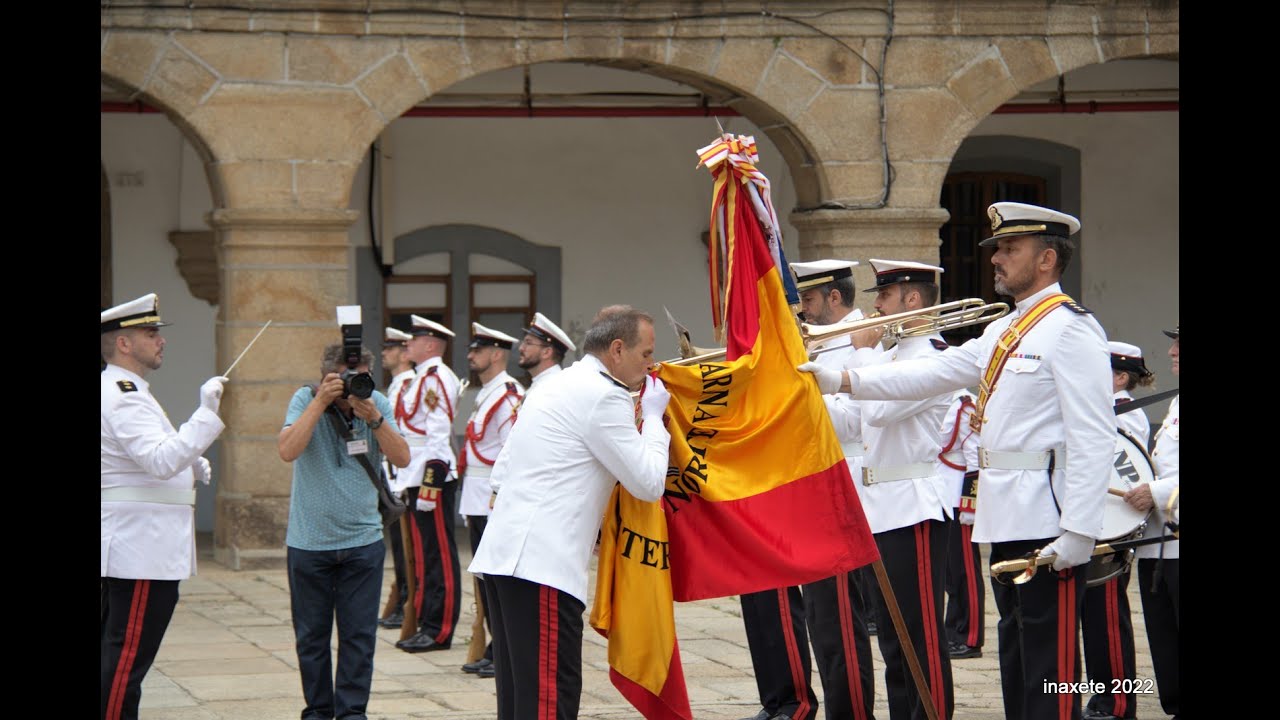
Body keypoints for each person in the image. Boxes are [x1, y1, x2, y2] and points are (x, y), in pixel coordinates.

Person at [800, 201, 1115, 720]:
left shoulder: (1072, 328)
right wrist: (841, 379)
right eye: (998, 249)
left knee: (1049, 658)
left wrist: (1080, 529)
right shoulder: (1006, 330)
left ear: (1047, 260)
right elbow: (934, 373)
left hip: (1048, 512)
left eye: (1010, 249)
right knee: (1015, 650)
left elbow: (1093, 435)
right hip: (1007, 510)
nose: (997, 259)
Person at [469, 305, 671, 720]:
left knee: (519, 700)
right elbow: (649, 482)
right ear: (617, 349)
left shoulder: (556, 385)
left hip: (508, 556)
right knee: (549, 703)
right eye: (646, 354)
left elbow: (502, 472)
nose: (652, 365)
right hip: (542, 565)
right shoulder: (604, 396)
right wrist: (653, 418)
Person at [735, 260, 877, 720]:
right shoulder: (819, 341)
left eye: (810, 301)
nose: (802, 312)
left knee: (836, 619)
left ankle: (851, 713)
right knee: (818, 616)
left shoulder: (867, 339)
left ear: (835, 298)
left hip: (843, 483)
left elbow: (858, 420)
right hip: (808, 481)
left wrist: (798, 393)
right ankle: (800, 701)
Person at [101, 293, 229, 720]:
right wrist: (205, 415)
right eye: (150, 333)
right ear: (123, 343)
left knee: (120, 657)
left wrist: (189, 465)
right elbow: (158, 462)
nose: (161, 341)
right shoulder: (124, 394)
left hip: (141, 544)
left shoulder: (129, 390)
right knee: (125, 663)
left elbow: (149, 457)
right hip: (141, 548)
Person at [277, 339, 409, 720]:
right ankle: (318, 710)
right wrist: (320, 402)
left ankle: (352, 713)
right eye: (346, 379)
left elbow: (401, 456)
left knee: (358, 636)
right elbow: (287, 450)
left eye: (362, 378)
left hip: (362, 542)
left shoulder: (376, 403)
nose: (354, 386)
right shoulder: (305, 400)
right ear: (325, 377)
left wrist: (374, 418)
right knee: (312, 637)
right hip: (309, 542)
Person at [847, 259, 956, 720]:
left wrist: (860, 354)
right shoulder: (892, 357)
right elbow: (853, 421)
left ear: (911, 300)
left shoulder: (932, 358)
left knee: (920, 633)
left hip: (912, 508)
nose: (874, 307)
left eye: (884, 297)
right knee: (892, 636)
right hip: (881, 507)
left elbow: (876, 412)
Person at [1080, 341, 1153, 720]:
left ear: (1121, 377)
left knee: (1106, 617)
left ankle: (1117, 703)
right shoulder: (1109, 409)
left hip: (1111, 526)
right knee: (1093, 617)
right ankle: (1101, 698)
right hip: (1098, 520)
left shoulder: (1123, 413)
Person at [458, 322, 525, 679]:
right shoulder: (486, 392)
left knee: (497, 580)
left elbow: (512, 451)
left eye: (478, 350)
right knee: (484, 578)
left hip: (491, 497)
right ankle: (493, 646)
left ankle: (502, 649)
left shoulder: (508, 395)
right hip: (476, 494)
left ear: (497, 354)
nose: (470, 355)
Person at [393, 315, 463, 653]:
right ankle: (425, 620)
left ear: (431, 345)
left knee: (439, 556)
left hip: (429, 475)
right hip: (414, 473)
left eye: (415, 339)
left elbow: (438, 434)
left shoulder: (437, 378)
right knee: (422, 555)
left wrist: (431, 483)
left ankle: (440, 628)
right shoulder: (421, 377)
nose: (408, 344)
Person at [1123, 325, 1179, 718]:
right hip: (1159, 542)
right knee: (1163, 637)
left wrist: (1156, 493)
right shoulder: (1176, 404)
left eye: (1181, 345)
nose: (1173, 351)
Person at [938, 389, 985, 662]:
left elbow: (975, 457)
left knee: (965, 570)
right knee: (948, 574)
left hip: (959, 495)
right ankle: (952, 629)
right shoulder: (937, 398)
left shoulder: (964, 405)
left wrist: (971, 504)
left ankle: (969, 636)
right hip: (940, 495)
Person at [377, 327, 416, 630]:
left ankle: (408, 600)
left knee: (410, 549)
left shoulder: (410, 386)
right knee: (400, 548)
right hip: (392, 476)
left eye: (391, 348)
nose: (384, 353)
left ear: (406, 353)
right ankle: (403, 596)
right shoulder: (396, 387)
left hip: (404, 474)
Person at [516, 311, 577, 394]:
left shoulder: (552, 388)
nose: (521, 348)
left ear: (547, 352)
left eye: (528, 343)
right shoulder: (543, 384)